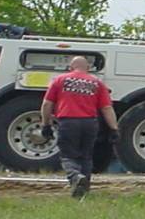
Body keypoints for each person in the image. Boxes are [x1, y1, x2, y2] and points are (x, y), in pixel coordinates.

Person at [39, 56, 119, 199]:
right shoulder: (97, 83)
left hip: (68, 122)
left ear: (70, 67)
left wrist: (46, 124)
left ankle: (75, 177)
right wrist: (114, 128)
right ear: (88, 68)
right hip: (90, 124)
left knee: (68, 156)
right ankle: (84, 191)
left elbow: (47, 104)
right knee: (86, 157)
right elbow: (107, 108)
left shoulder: (60, 80)